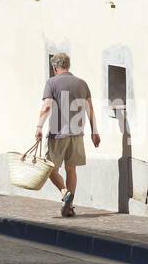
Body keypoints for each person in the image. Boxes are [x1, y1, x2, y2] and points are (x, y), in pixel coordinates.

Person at [34, 53, 100, 216]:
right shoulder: (82, 83)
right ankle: (69, 208)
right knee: (71, 170)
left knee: (49, 168)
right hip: (77, 134)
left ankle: (64, 193)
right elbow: (90, 109)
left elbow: (47, 107)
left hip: (58, 134)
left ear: (55, 68)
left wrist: (39, 126)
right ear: (68, 65)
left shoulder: (51, 83)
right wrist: (94, 131)